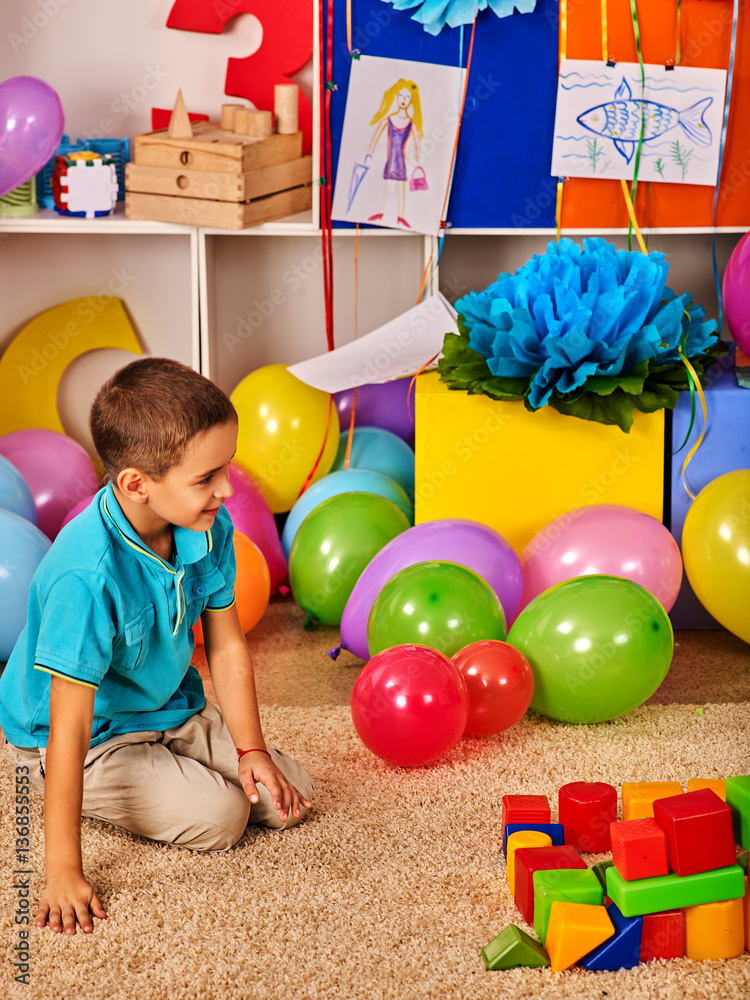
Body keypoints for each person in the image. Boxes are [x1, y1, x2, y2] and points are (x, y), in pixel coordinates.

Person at [0, 357, 314, 936]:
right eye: (206, 478)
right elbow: (70, 725)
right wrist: (62, 868)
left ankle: (184, 756)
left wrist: (251, 752)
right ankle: (45, 777)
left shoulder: (208, 526)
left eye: (227, 468)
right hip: (88, 735)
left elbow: (225, 649)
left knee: (288, 798)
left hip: (168, 705)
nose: (227, 490)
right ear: (137, 485)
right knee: (223, 817)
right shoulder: (84, 577)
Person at [366, 78, 423, 229]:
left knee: (400, 187)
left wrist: (418, 157)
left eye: (407, 96)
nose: (404, 100)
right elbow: (376, 135)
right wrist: (369, 152)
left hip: (401, 161)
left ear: (411, 100)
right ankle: (381, 212)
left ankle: (401, 216)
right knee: (388, 185)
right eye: (401, 96)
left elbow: (417, 141)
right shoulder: (389, 119)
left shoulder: (410, 123)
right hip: (391, 160)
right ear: (396, 97)